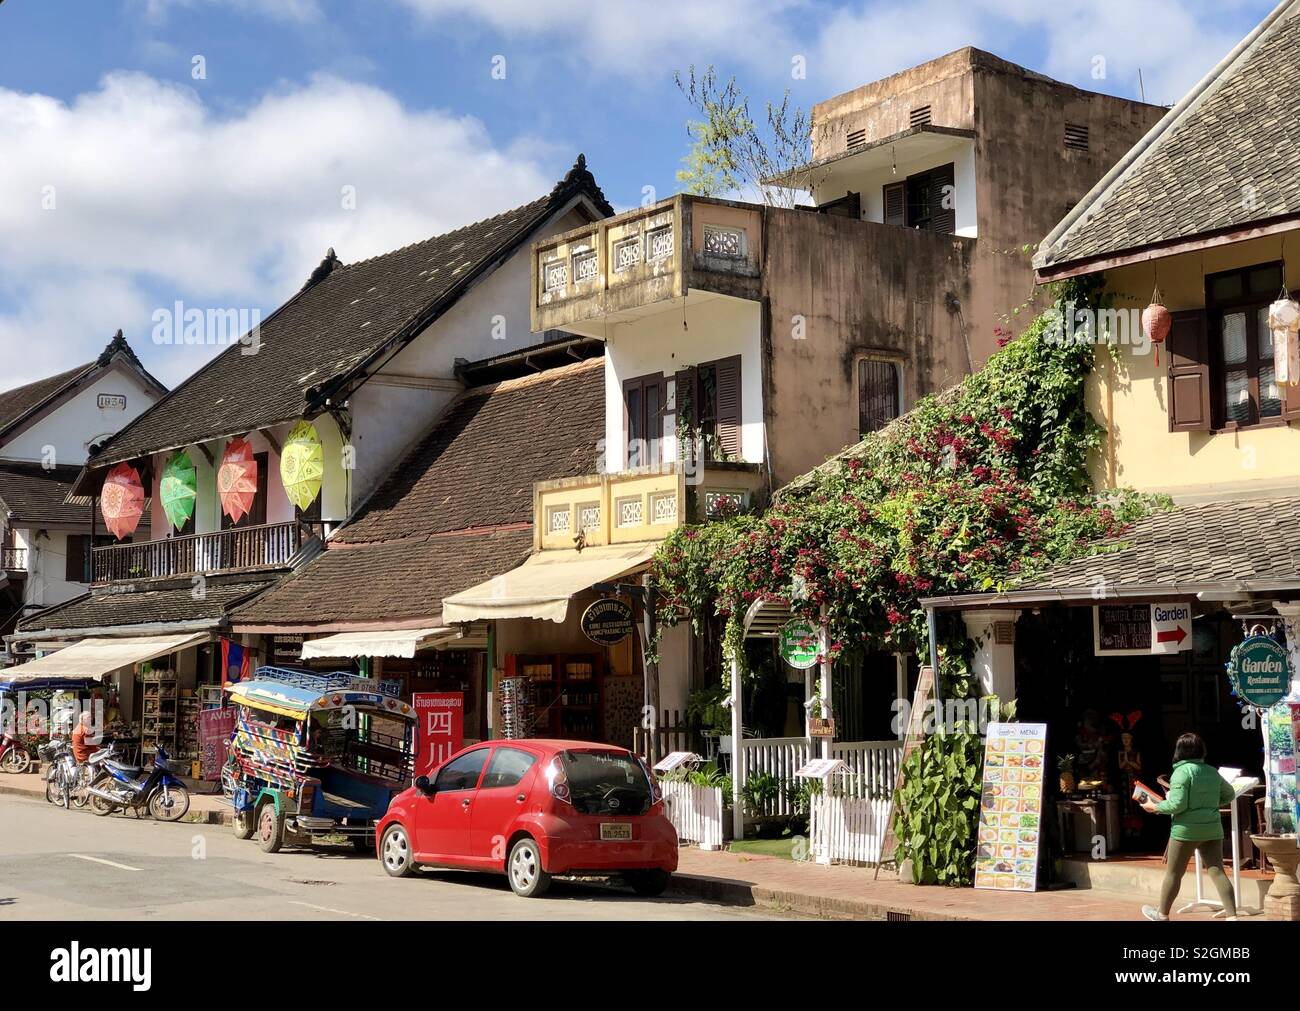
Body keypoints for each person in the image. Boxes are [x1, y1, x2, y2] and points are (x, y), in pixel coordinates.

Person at [1140, 732, 1236, 921]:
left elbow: (1177, 805)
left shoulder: (1181, 773)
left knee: (1174, 874)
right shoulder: (1211, 771)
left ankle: (1162, 914)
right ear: (1201, 750)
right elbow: (1230, 794)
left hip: (1185, 832)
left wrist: (1155, 807)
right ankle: (1232, 916)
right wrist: (1211, 805)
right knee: (1217, 870)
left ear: (1179, 751)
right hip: (1211, 829)